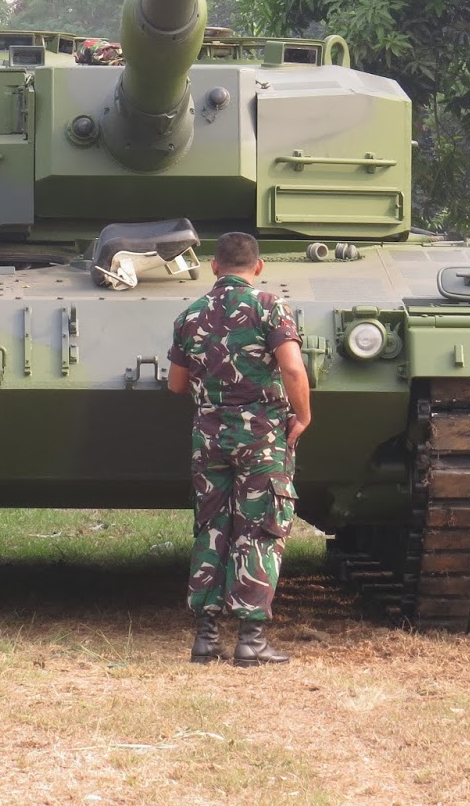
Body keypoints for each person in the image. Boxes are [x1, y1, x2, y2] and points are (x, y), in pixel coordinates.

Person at [166, 231, 311, 667]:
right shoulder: (270, 307)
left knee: (212, 528)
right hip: (262, 438)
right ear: (258, 267)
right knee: (260, 529)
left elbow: (175, 384)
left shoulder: (190, 314)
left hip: (209, 439)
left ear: (214, 266)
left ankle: (205, 639)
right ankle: (250, 640)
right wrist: (302, 416)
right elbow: (291, 366)